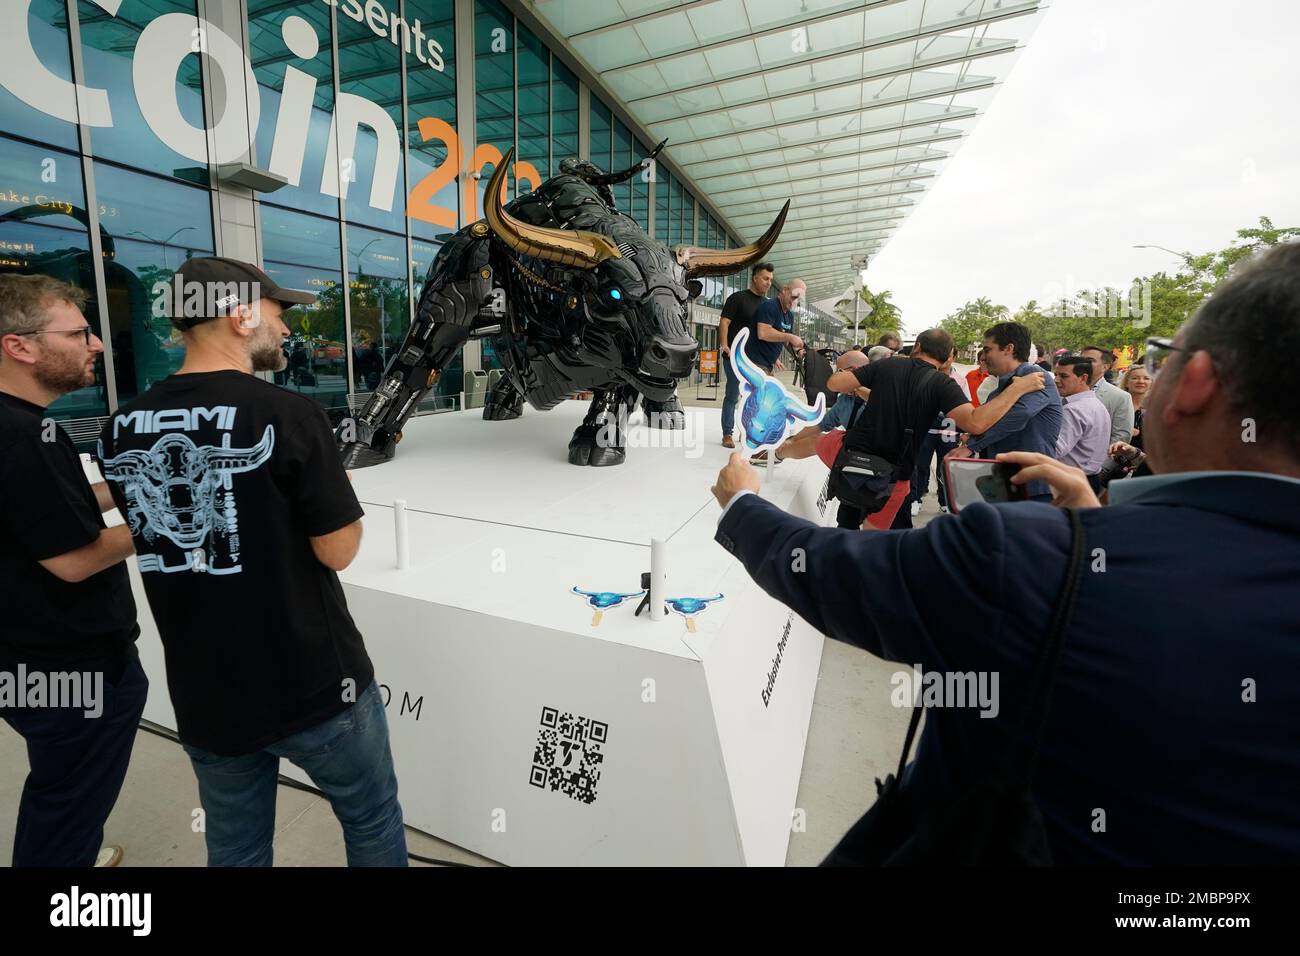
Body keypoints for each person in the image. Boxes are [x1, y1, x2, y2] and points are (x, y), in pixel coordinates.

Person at [710, 240, 1300, 865]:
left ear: (1197, 384)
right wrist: (1095, 535)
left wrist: (744, 506)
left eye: (1165, 357)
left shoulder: (1026, 559)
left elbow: (832, 575)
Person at [96, 256, 407, 867]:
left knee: (236, 848)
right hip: (316, 686)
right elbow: (338, 550)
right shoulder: (287, 414)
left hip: (209, 695)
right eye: (275, 312)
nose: (286, 329)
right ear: (239, 316)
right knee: (371, 820)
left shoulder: (120, 428)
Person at [0, 274, 145, 868]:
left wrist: (134, 486)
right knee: (67, 802)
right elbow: (74, 560)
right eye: (80, 332)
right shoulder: (25, 437)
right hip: (72, 666)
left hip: (22, 657)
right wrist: (170, 515)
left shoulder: (23, 428)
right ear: (21, 346)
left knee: (60, 789)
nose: (98, 344)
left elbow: (50, 511)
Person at [824, 328, 1045, 530]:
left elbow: (835, 384)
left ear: (918, 346)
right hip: (895, 474)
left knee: (848, 521)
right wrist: (1017, 389)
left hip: (857, 463)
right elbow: (975, 422)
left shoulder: (888, 365)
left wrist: (849, 375)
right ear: (948, 357)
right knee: (884, 536)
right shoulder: (942, 384)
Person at [948, 321, 1062, 501]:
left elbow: (1018, 415)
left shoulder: (1036, 377)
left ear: (1008, 348)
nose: (983, 358)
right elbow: (982, 423)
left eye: (987, 350)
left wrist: (971, 446)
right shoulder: (999, 390)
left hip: (1031, 486)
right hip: (1003, 484)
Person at [746, 278, 807, 464]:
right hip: (755, 361)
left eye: (799, 299)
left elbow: (785, 341)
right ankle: (752, 450)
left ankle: (758, 447)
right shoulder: (769, 307)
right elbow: (763, 333)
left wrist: (798, 350)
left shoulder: (789, 315)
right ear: (785, 290)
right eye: (794, 296)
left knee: (769, 403)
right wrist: (789, 335)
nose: (795, 301)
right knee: (762, 404)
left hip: (768, 364)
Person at [774, 350, 869, 463]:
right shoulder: (845, 400)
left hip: (878, 455)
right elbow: (821, 424)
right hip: (854, 451)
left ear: (853, 370)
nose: (835, 376)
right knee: (818, 440)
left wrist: (856, 388)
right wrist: (792, 440)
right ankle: (778, 454)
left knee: (820, 441)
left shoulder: (883, 393)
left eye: (839, 372)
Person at [719, 263, 774, 448]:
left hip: (755, 359)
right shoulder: (738, 298)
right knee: (733, 394)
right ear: (755, 278)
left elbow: (766, 332)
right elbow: (725, 322)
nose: (768, 283)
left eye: (771, 280)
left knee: (755, 398)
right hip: (734, 356)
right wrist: (724, 345)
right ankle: (727, 433)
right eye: (765, 278)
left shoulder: (767, 305)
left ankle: (747, 434)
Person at [1053, 354, 1110, 478]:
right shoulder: (1097, 405)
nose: (1056, 380)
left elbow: (1055, 450)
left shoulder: (1074, 409)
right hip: (1090, 478)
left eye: (1063, 376)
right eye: (1056, 374)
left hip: (1072, 479)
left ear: (1083, 378)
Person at [1080, 345, 1135, 444]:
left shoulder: (1120, 397)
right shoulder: (1064, 390)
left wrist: (1098, 458)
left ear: (1105, 367)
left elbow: (1121, 437)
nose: (1082, 364)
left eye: (1090, 360)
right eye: (1080, 360)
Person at [1121, 364, 1151, 448]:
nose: (1141, 381)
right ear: (1126, 383)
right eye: (1135, 378)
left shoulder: (1157, 408)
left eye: (1146, 378)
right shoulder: (1117, 404)